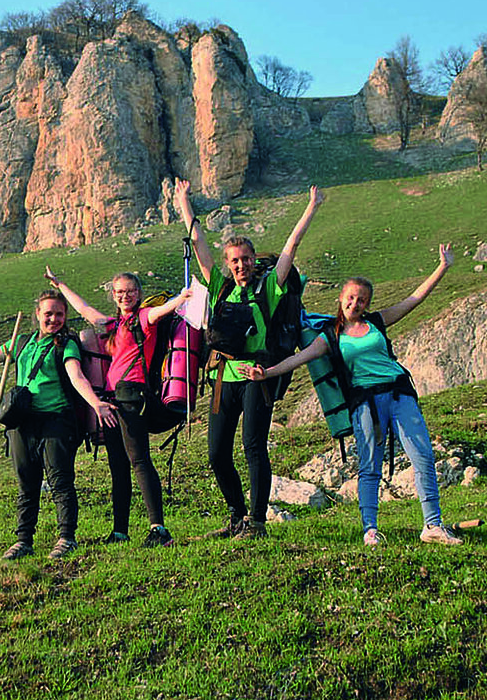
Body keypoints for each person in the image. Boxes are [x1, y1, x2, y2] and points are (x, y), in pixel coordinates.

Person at [260, 243, 464, 546]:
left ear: (367, 303)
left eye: (362, 300)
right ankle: (370, 529)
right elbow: (297, 359)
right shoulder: (330, 336)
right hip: (364, 403)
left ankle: (432, 525)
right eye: (351, 297)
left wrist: (443, 267)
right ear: (341, 299)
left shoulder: (377, 322)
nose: (355, 303)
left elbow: (414, 300)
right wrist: (266, 372)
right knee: (370, 465)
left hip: (398, 393)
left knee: (422, 456)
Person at [174, 179, 325, 539]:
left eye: (246, 259)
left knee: (253, 446)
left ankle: (256, 522)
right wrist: (184, 204)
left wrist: (311, 208)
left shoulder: (269, 287)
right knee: (216, 454)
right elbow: (200, 247)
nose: (241, 265)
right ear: (228, 264)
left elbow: (291, 247)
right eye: (235, 261)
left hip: (259, 376)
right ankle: (235, 516)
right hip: (223, 378)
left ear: (255, 261)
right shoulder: (220, 288)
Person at [0, 291, 117, 561]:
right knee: (27, 482)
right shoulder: (22, 342)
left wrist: (95, 403)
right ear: (37, 314)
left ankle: (66, 538)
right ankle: (23, 540)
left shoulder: (66, 344)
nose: (53, 319)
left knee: (60, 481)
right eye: (48, 313)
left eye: (59, 314)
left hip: (57, 420)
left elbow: (76, 376)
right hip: (21, 422)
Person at [45, 266, 190, 548]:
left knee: (139, 460)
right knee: (118, 466)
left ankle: (158, 528)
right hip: (111, 401)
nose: (125, 296)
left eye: (130, 291)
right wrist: (60, 284)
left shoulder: (143, 318)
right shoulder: (114, 325)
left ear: (139, 294)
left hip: (132, 396)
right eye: (120, 292)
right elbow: (86, 309)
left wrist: (181, 298)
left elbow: (160, 313)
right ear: (113, 295)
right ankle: (120, 531)